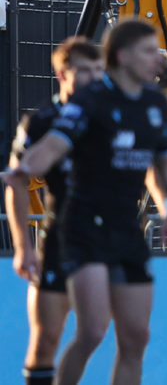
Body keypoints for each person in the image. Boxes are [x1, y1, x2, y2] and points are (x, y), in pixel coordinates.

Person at [4, 19, 167, 385]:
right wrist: (24, 171)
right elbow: (54, 145)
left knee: (137, 338)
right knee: (88, 332)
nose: (158, 60)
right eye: (148, 51)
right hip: (77, 229)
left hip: (125, 229)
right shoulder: (85, 104)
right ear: (124, 56)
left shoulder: (154, 104)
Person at [5, 38, 105, 385]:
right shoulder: (40, 123)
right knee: (46, 339)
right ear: (62, 74)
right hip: (59, 243)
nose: (94, 78)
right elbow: (16, 181)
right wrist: (22, 246)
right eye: (84, 70)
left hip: (104, 243)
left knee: (98, 333)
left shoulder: (114, 118)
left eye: (99, 70)